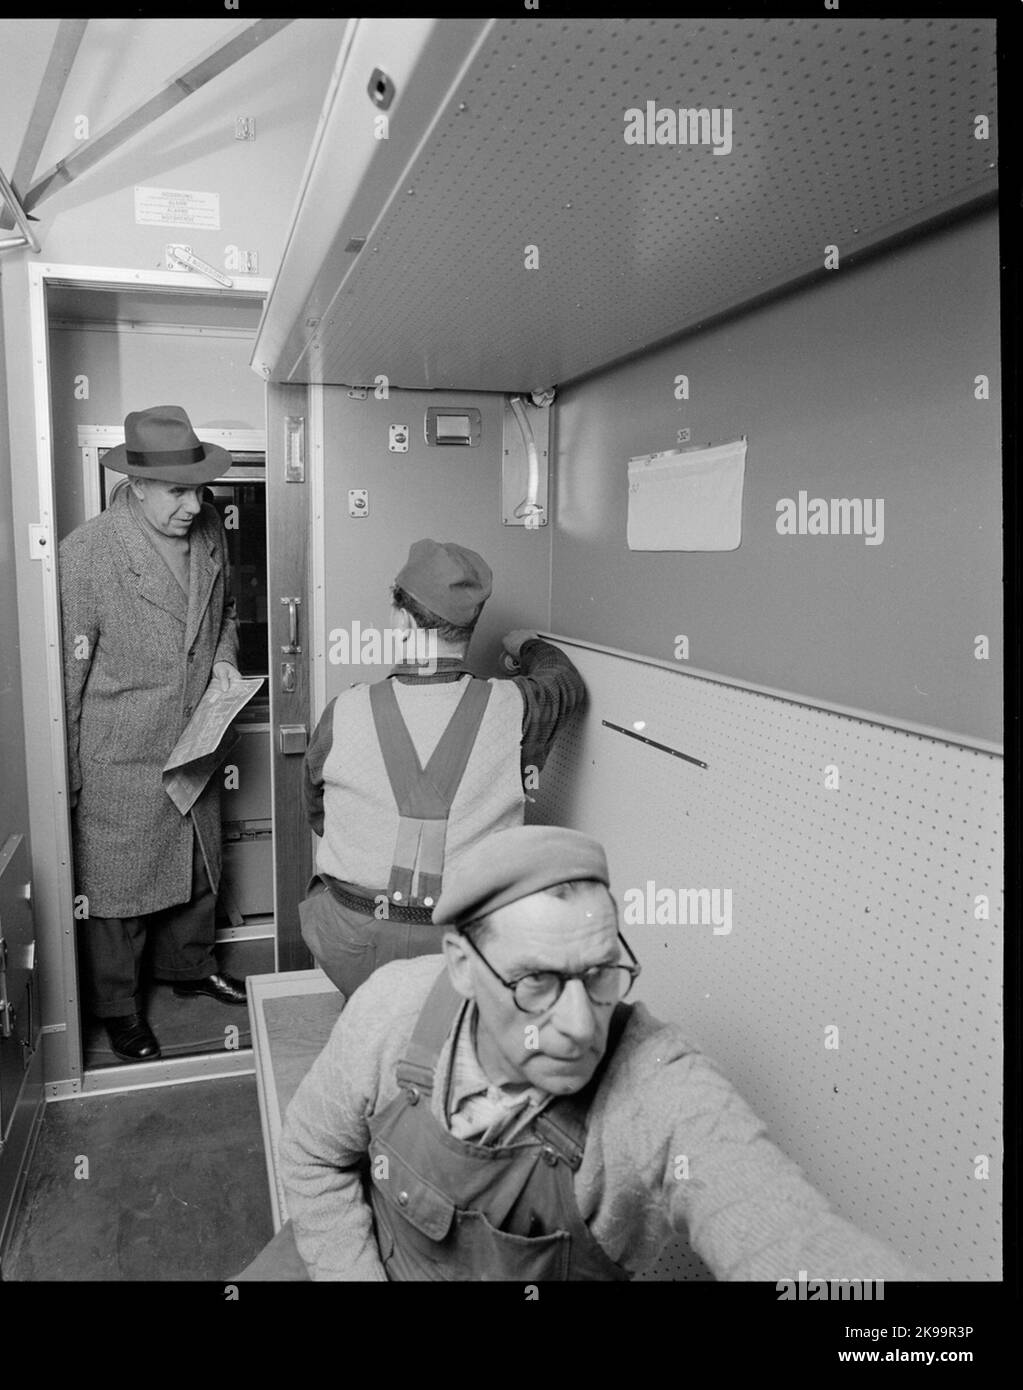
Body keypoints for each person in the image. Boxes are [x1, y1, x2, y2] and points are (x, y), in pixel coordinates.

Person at [238, 825, 923, 1281]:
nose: (576, 1027)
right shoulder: (390, 1011)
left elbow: (792, 1240)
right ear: (460, 964)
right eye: (535, 981)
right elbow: (312, 1155)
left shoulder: (655, 1086)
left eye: (598, 974)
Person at [300, 538, 586, 997]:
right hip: (467, 948)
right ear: (471, 626)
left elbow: (317, 813)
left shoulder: (344, 710)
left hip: (351, 942)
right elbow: (565, 682)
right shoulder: (518, 706)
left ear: (402, 618)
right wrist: (526, 645)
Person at [60, 405, 248, 1063]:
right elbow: (66, 675)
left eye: (200, 488)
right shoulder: (87, 552)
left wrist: (224, 662)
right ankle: (118, 1009)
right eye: (178, 490)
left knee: (197, 868)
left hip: (196, 739)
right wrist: (70, 779)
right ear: (136, 485)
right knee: (116, 891)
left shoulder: (208, 536)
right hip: (120, 754)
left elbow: (223, 613)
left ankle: (188, 969)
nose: (195, 505)